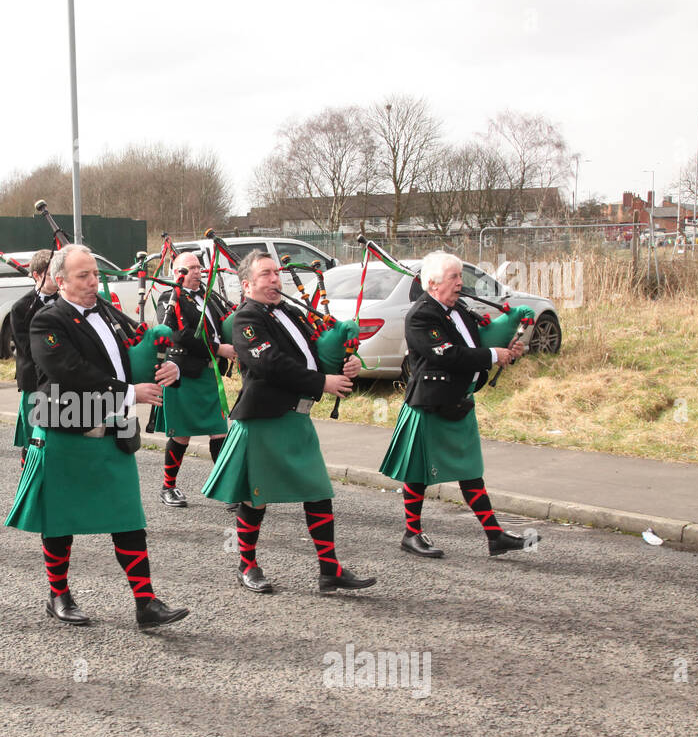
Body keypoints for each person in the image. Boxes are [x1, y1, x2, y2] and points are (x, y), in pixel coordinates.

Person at [6, 243, 190, 629]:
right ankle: (58, 594)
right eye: (83, 276)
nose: (94, 282)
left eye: (95, 274)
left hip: (114, 431)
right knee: (60, 520)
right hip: (65, 430)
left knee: (127, 517)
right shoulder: (46, 320)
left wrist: (170, 361)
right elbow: (67, 370)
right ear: (60, 281)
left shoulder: (106, 311)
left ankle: (146, 602)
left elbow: (145, 341)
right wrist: (128, 393)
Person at [202, 251, 376, 594]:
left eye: (276, 273)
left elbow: (315, 352)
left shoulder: (291, 312)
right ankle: (247, 565)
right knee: (256, 498)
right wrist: (321, 382)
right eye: (265, 274)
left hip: (297, 418)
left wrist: (345, 363)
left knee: (318, 492)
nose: (274, 280)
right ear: (248, 284)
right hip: (262, 420)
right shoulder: (244, 320)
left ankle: (330, 570)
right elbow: (270, 363)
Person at [380, 251, 537, 557]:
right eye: (453, 277)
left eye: (459, 277)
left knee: (470, 471)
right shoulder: (421, 316)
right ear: (433, 283)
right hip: (430, 403)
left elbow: (476, 345)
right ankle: (411, 534)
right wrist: (493, 355)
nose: (459, 283)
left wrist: (506, 349)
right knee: (418, 472)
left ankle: (495, 536)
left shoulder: (460, 309)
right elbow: (448, 354)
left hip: (460, 400)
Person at [156, 251, 236, 507]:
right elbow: (181, 335)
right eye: (189, 268)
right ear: (176, 272)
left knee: (219, 432)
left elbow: (225, 322)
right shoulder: (169, 298)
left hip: (208, 374)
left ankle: (226, 487)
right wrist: (218, 349)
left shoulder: (209, 296)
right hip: (182, 373)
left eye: (199, 267)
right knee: (182, 435)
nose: (197, 271)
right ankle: (168, 487)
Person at [9, 248, 58, 464]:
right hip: (34, 382)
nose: (57, 279)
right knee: (34, 442)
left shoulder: (65, 301)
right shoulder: (20, 308)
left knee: (58, 440)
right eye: (51, 274)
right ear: (37, 275)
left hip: (62, 381)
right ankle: (29, 485)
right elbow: (29, 349)